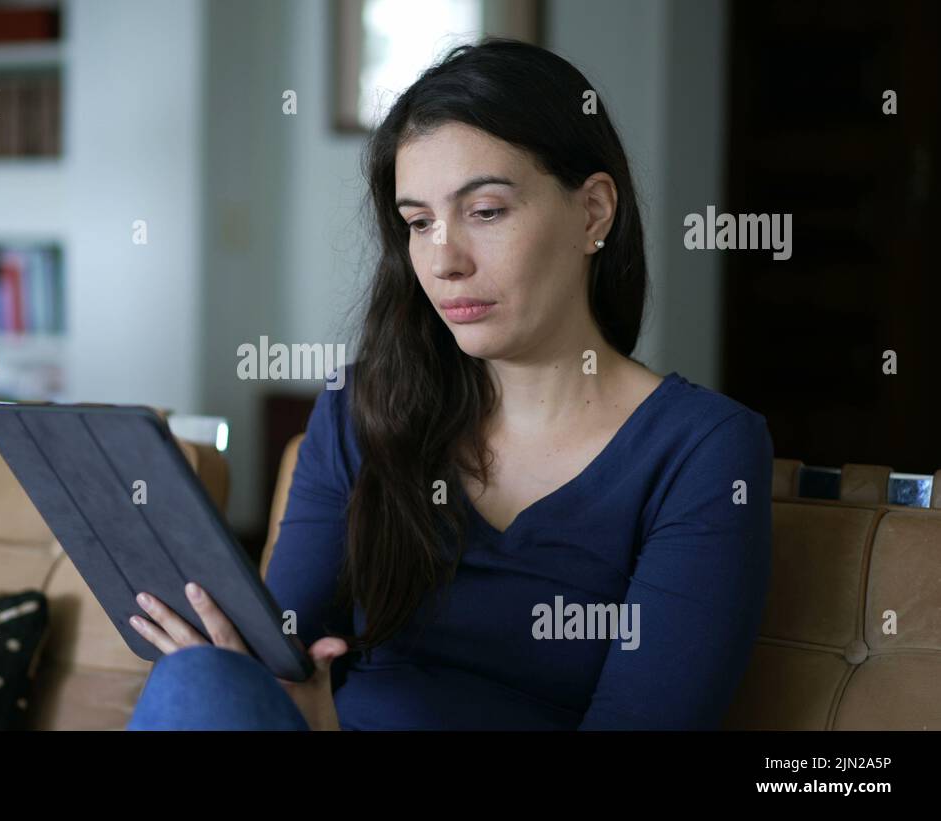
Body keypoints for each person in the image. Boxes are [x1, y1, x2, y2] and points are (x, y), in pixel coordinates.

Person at [126, 37, 773, 731]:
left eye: (486, 211)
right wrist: (237, 661)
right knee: (197, 678)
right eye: (418, 222)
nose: (444, 260)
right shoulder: (362, 410)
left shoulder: (703, 450)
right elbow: (288, 652)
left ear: (593, 212)